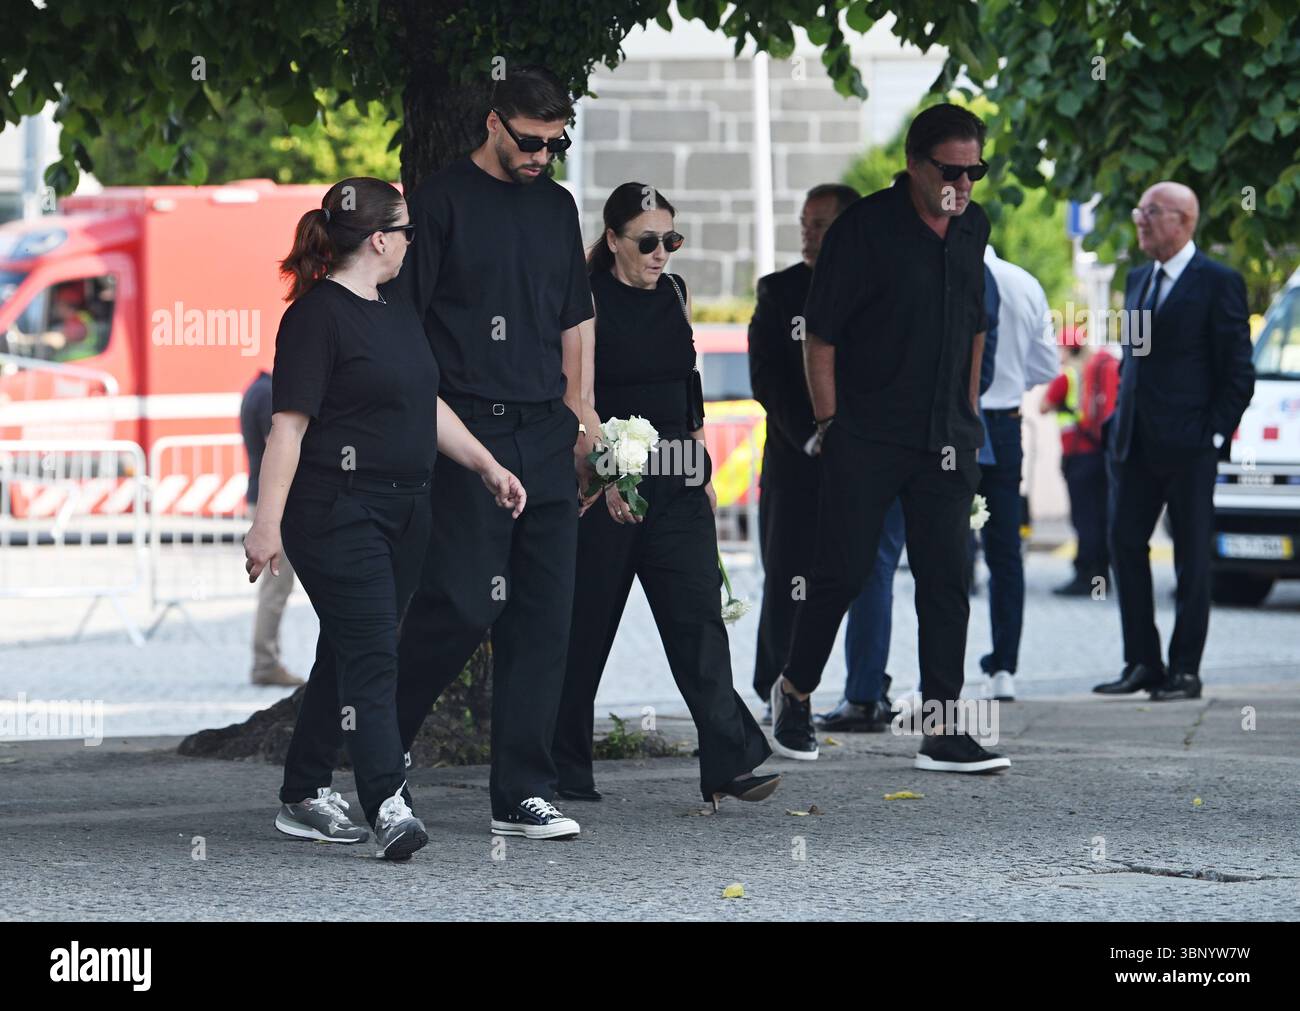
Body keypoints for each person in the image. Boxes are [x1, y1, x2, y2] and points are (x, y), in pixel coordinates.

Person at [243, 177, 526, 861]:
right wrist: (266, 524)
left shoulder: (394, 308)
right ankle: (388, 805)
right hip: (337, 512)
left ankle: (303, 791)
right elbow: (288, 428)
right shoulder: (315, 318)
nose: (409, 243)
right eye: (405, 231)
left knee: (349, 647)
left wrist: (487, 465)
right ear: (378, 239)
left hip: (406, 509)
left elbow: (425, 404)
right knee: (373, 653)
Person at [388, 67, 599, 840]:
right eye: (531, 141)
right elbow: (405, 326)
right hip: (467, 427)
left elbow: (576, 318)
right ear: (493, 123)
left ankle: (522, 792)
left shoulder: (558, 206)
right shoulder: (439, 202)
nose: (543, 156)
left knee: (545, 615)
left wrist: (584, 421)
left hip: (546, 427)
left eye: (555, 144)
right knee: (463, 603)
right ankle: (382, 752)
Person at [770, 103, 1010, 774]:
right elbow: (820, 336)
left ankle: (943, 728)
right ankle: (795, 691)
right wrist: (829, 425)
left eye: (973, 172)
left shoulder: (974, 226)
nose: (960, 184)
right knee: (842, 571)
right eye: (949, 171)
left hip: (946, 437)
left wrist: (968, 410)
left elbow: (976, 323)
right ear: (913, 164)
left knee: (947, 579)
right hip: (868, 433)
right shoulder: (863, 230)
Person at [552, 183, 779, 811]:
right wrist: (605, 477)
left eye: (670, 240)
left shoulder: (675, 293)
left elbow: (688, 384)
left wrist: (702, 471)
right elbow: (579, 397)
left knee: (698, 621)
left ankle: (729, 762)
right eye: (648, 241)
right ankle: (562, 768)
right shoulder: (586, 299)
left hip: (677, 476)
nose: (661, 253)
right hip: (610, 480)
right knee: (585, 629)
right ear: (614, 239)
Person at [1094, 181, 1255, 701]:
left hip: (1189, 448)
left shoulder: (1218, 282)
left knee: (1191, 558)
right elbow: (1134, 361)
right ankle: (1143, 662)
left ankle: (1185, 670)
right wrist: (1116, 421)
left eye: (1151, 211)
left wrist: (1212, 433)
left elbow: (1238, 373)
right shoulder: (1139, 279)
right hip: (1133, 445)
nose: (1140, 219)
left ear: (1184, 220)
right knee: (1124, 545)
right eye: (1139, 210)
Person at [825, 263, 1000, 729]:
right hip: (942, 442)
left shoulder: (905, 268)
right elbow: (982, 372)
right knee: (937, 571)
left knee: (889, 566)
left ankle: (868, 696)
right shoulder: (976, 275)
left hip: (910, 441)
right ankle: (928, 703)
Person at [748, 183, 858, 723]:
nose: (808, 235)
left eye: (821, 225)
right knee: (786, 576)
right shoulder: (779, 291)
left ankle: (862, 689)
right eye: (804, 224)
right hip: (795, 461)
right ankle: (775, 685)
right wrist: (812, 434)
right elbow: (766, 377)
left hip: (860, 459)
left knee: (855, 576)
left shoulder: (872, 287)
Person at [970, 244, 1059, 701]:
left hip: (951, 425)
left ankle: (937, 670)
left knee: (942, 550)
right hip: (1003, 423)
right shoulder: (1024, 283)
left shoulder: (943, 274)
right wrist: (1007, 382)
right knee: (1005, 552)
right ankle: (1004, 667)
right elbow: (1046, 366)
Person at [1040, 327, 1120, 596]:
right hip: (1100, 454)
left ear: (1067, 349)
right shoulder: (1094, 369)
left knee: (1084, 518)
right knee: (1100, 516)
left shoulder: (1067, 376)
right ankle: (1101, 577)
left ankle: (1085, 577)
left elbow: (1042, 406)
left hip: (1078, 456)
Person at [239, 370, 303, 688]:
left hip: (264, 502)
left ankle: (266, 661)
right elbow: (277, 447)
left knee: (274, 588)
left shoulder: (257, 389)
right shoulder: (269, 395)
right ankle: (265, 662)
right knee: (276, 589)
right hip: (273, 505)